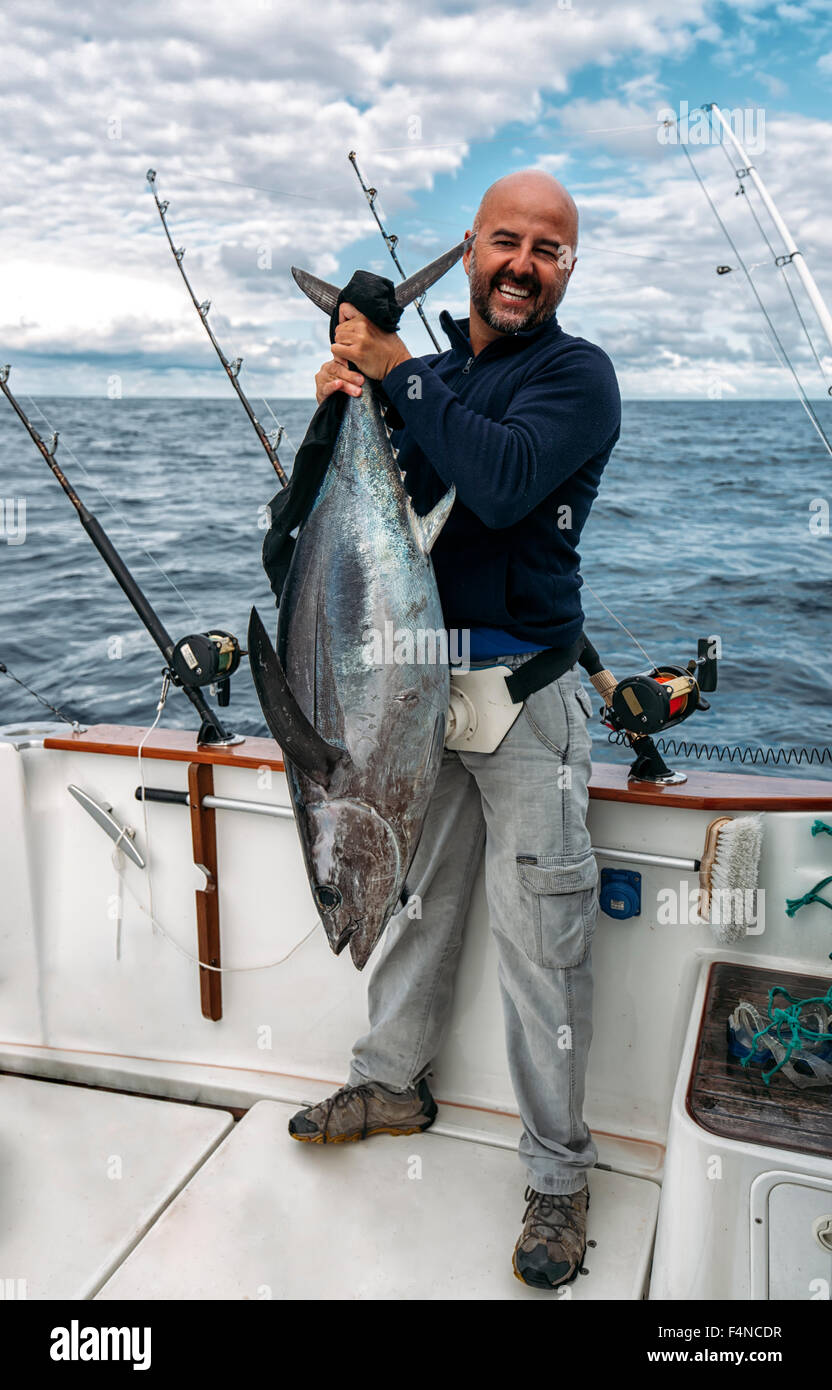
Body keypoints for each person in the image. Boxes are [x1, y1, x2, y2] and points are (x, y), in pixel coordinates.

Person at [288, 169, 621, 1290]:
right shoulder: (419, 378)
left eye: (549, 249)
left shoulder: (576, 377)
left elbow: (508, 480)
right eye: (504, 243)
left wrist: (398, 373)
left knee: (543, 951)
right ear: (470, 250)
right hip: (408, 711)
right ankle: (391, 1079)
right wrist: (343, 390)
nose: (523, 264)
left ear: (566, 269)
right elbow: (311, 537)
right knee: (416, 911)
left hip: (525, 704)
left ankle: (560, 1183)